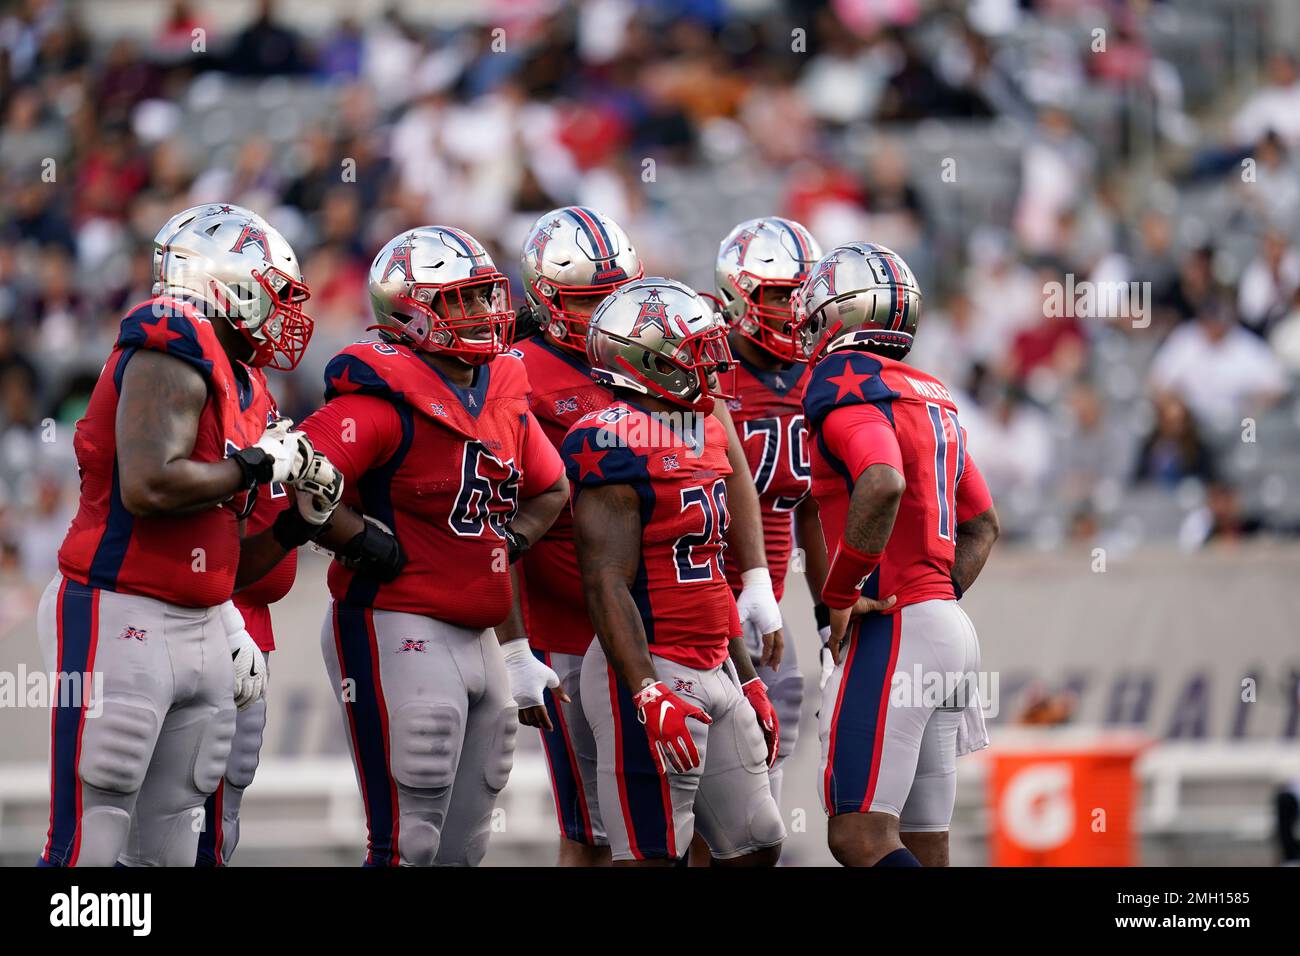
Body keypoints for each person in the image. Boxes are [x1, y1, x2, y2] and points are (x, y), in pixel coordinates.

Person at [40, 206, 342, 866]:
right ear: (221, 282)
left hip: (199, 617)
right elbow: (148, 486)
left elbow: (226, 548)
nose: (283, 312)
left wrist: (299, 522)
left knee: (180, 839)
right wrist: (258, 464)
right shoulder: (168, 337)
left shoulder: (245, 382)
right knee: (94, 833)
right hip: (121, 605)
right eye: (273, 292)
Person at [501, 207, 785, 866]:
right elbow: (501, 514)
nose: (607, 309)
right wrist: (515, 645)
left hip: (688, 623)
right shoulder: (516, 372)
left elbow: (720, 467)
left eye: (613, 292)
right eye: (587, 299)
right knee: (599, 836)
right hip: (576, 625)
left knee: (731, 831)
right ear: (545, 298)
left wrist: (755, 582)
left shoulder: (666, 355)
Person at [300, 226, 568, 866]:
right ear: (411, 309)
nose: (483, 314)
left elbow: (550, 489)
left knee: (463, 849)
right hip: (394, 621)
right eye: (463, 301)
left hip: (479, 636)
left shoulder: (498, 385)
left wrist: (505, 550)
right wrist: (357, 536)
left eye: (485, 297)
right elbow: (294, 479)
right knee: (406, 842)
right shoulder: (379, 396)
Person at [565, 276, 786, 866]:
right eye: (697, 350)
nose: (713, 364)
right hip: (649, 665)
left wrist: (747, 676)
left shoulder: (702, 427)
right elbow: (604, 581)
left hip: (713, 659)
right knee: (653, 852)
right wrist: (645, 690)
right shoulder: (609, 437)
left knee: (757, 840)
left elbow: (712, 574)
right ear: (650, 362)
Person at [792, 242, 1000, 867]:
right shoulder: (931, 391)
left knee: (857, 834)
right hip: (948, 627)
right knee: (923, 841)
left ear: (841, 313)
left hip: (900, 627)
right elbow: (984, 524)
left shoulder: (843, 382)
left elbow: (882, 480)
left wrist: (840, 594)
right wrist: (936, 593)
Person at [713, 215, 830, 806]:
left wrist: (828, 613)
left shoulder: (813, 376)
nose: (791, 309)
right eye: (779, 294)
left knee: (762, 799)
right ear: (738, 293)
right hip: (691, 607)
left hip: (766, 616)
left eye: (800, 295)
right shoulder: (701, 366)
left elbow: (809, 501)